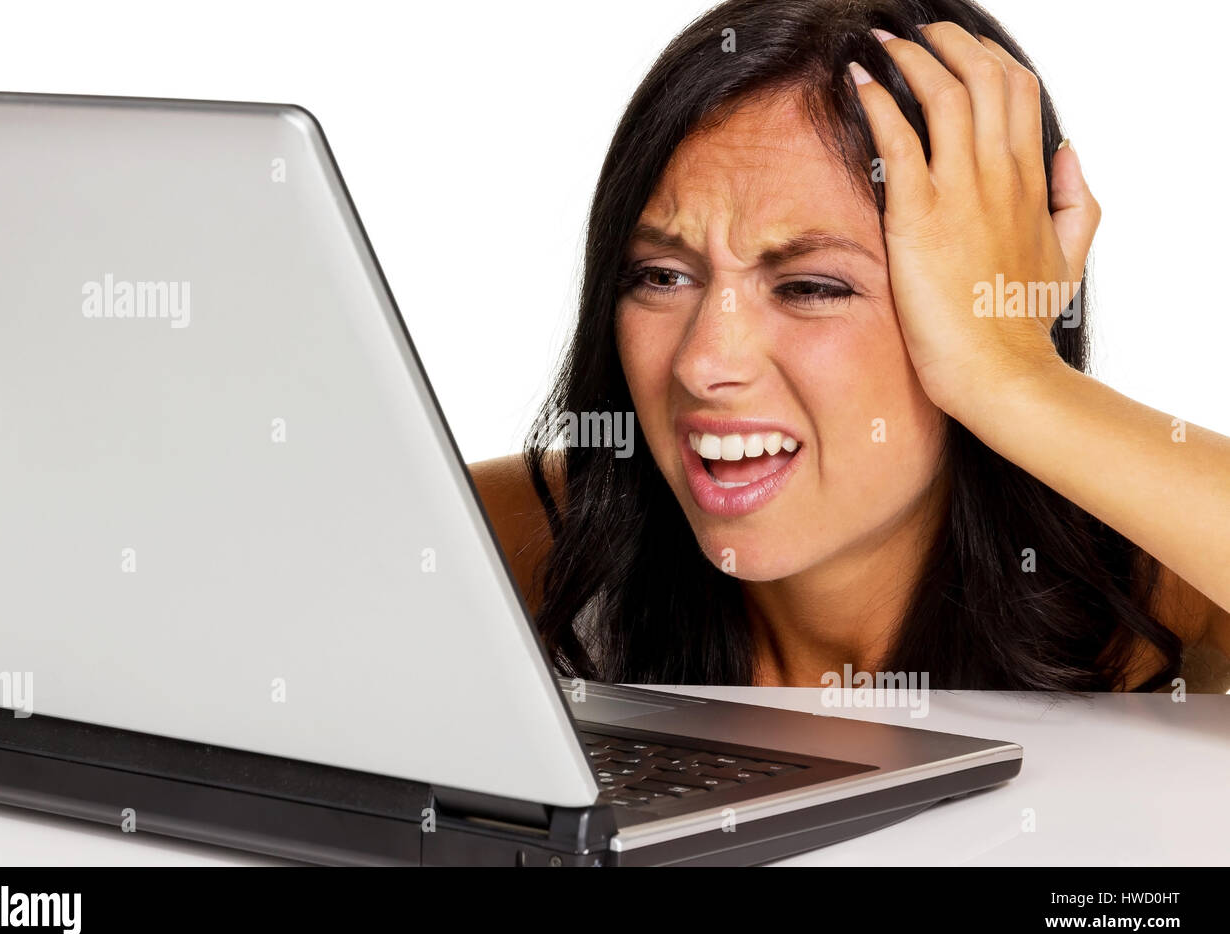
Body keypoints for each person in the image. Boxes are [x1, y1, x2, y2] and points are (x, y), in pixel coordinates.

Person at [469, 0, 1230, 691]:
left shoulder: (1158, 598)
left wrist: (1012, 374)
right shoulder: (542, 535)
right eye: (662, 276)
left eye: (811, 288)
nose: (705, 363)